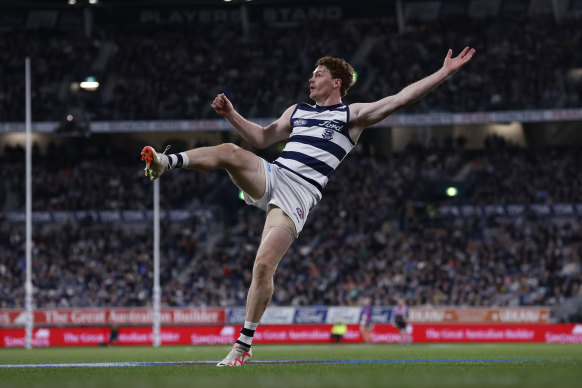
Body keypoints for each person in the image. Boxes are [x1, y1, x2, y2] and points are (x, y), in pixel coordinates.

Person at [141, 47, 475, 366]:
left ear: (336, 82)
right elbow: (260, 139)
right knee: (230, 151)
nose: (310, 79)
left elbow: (401, 98)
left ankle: (243, 346)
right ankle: (165, 161)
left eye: (318, 75)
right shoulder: (297, 110)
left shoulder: (351, 115)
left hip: (300, 195)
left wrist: (443, 73)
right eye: (311, 75)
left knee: (262, 266)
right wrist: (231, 114)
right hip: (274, 175)